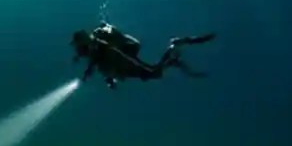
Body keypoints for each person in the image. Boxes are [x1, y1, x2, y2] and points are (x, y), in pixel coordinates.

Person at [71, 22, 215, 89]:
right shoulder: (95, 53)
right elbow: (104, 64)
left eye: (79, 48)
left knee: (153, 72)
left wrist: (90, 70)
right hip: (125, 65)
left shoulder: (98, 44)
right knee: (155, 73)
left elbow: (109, 53)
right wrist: (110, 80)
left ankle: (174, 45)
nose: (79, 52)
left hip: (126, 58)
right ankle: (172, 59)